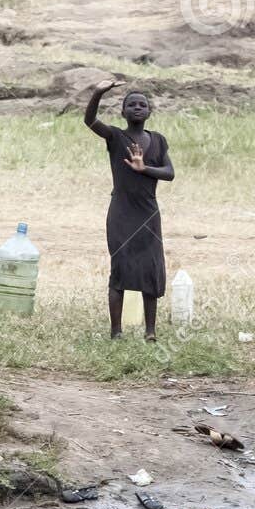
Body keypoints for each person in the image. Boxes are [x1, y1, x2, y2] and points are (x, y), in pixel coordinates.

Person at [84, 84, 175, 341]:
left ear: (149, 112)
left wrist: (143, 168)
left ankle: (150, 332)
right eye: (132, 104)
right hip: (122, 212)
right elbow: (89, 120)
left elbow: (169, 173)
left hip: (148, 211)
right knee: (121, 267)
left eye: (142, 105)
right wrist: (98, 93)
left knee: (151, 268)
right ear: (123, 111)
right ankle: (116, 331)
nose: (137, 108)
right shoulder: (115, 137)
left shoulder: (157, 140)